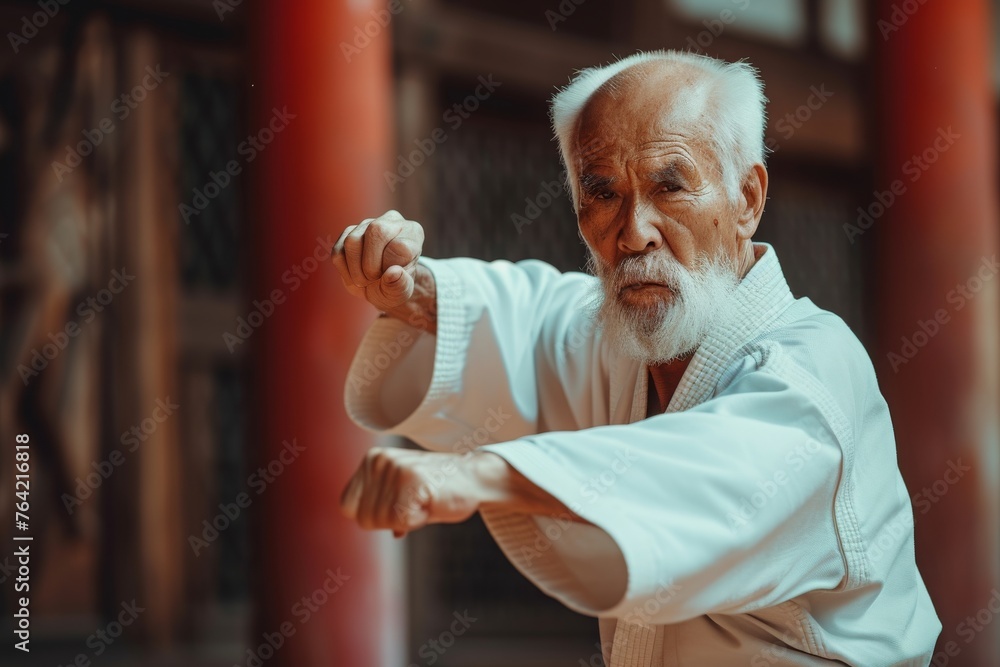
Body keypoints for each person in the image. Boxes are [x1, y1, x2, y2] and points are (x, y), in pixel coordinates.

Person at [332, 50, 941, 666]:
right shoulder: (624, 339)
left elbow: (705, 476)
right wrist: (418, 295)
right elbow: (533, 316)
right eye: (603, 194)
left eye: (669, 187)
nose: (634, 232)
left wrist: (472, 473)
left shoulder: (814, 366)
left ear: (747, 199)